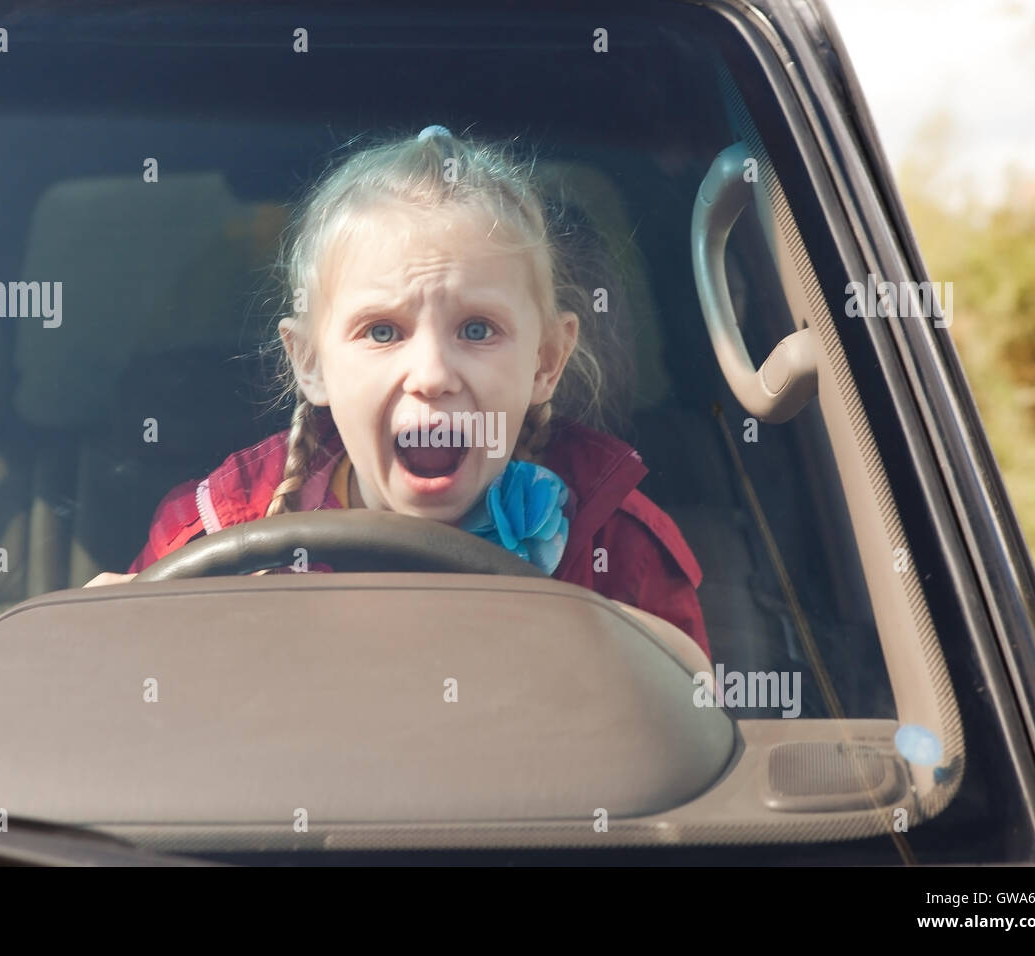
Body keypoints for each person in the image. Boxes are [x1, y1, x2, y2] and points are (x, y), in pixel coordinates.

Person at [88, 126, 709, 657]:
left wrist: (627, 647)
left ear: (546, 360)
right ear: (311, 365)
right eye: (382, 331)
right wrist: (98, 643)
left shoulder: (615, 546)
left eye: (477, 329)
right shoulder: (218, 539)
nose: (433, 373)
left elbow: (693, 736)